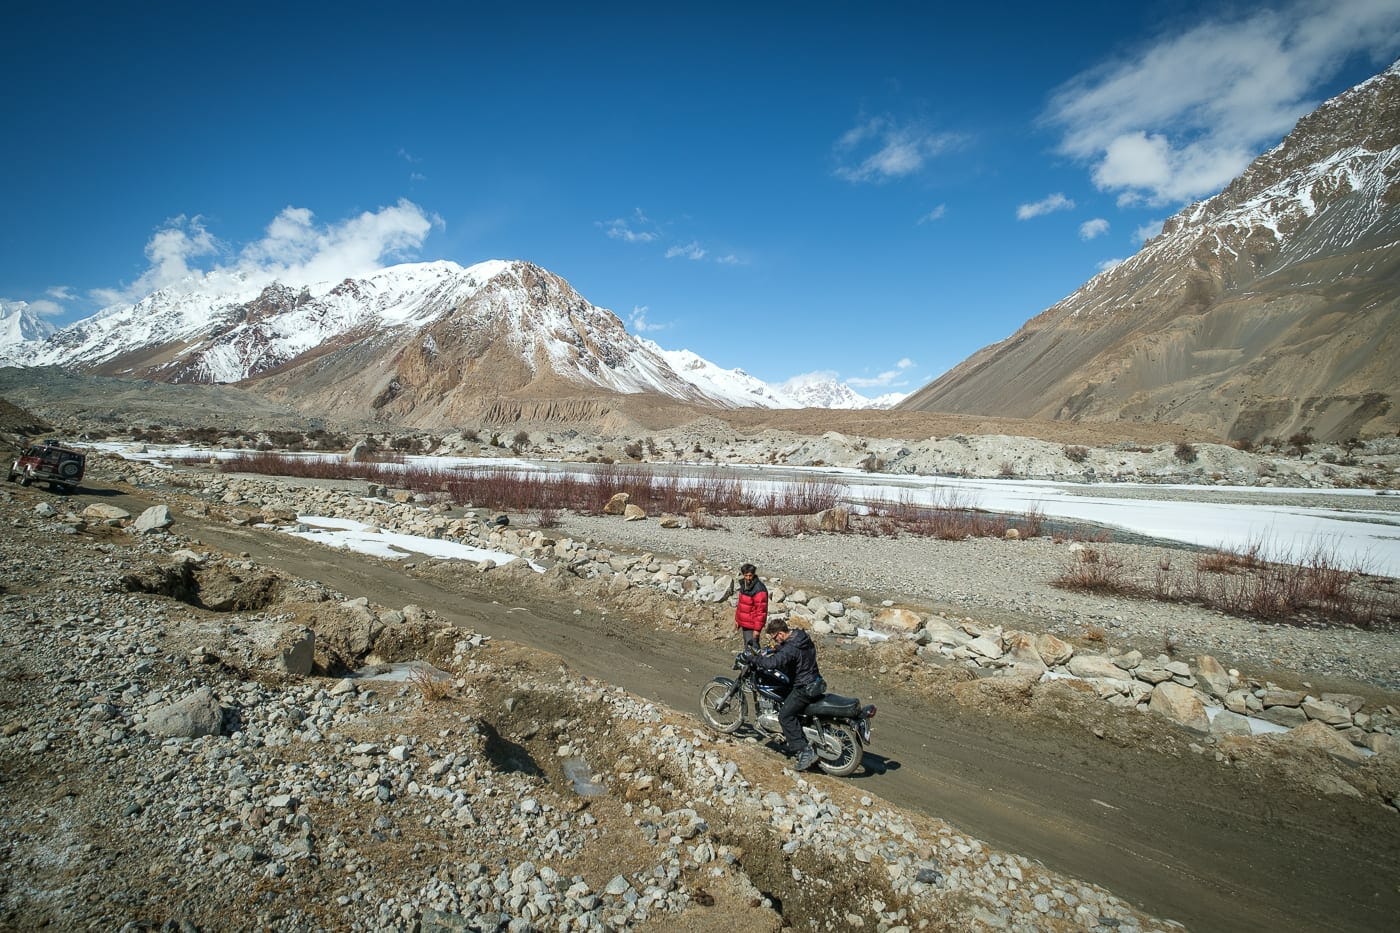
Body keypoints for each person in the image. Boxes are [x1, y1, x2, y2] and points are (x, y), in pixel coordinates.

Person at [751, 619, 826, 771]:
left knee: (785, 716)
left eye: (774, 637)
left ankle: (805, 751)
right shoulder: (800, 636)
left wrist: (753, 658)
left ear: (780, 633)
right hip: (814, 680)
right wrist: (776, 648)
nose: (774, 640)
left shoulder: (791, 647)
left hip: (804, 686)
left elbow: (772, 664)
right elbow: (790, 653)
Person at [733, 563, 768, 651]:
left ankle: (756, 664)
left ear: (754, 574)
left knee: (753, 648)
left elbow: (761, 611)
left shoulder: (759, 589)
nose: (748, 578)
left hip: (752, 624)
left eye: (750, 575)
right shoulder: (743, 585)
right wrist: (737, 620)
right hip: (745, 622)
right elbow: (741, 604)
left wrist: (757, 629)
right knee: (748, 647)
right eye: (746, 575)